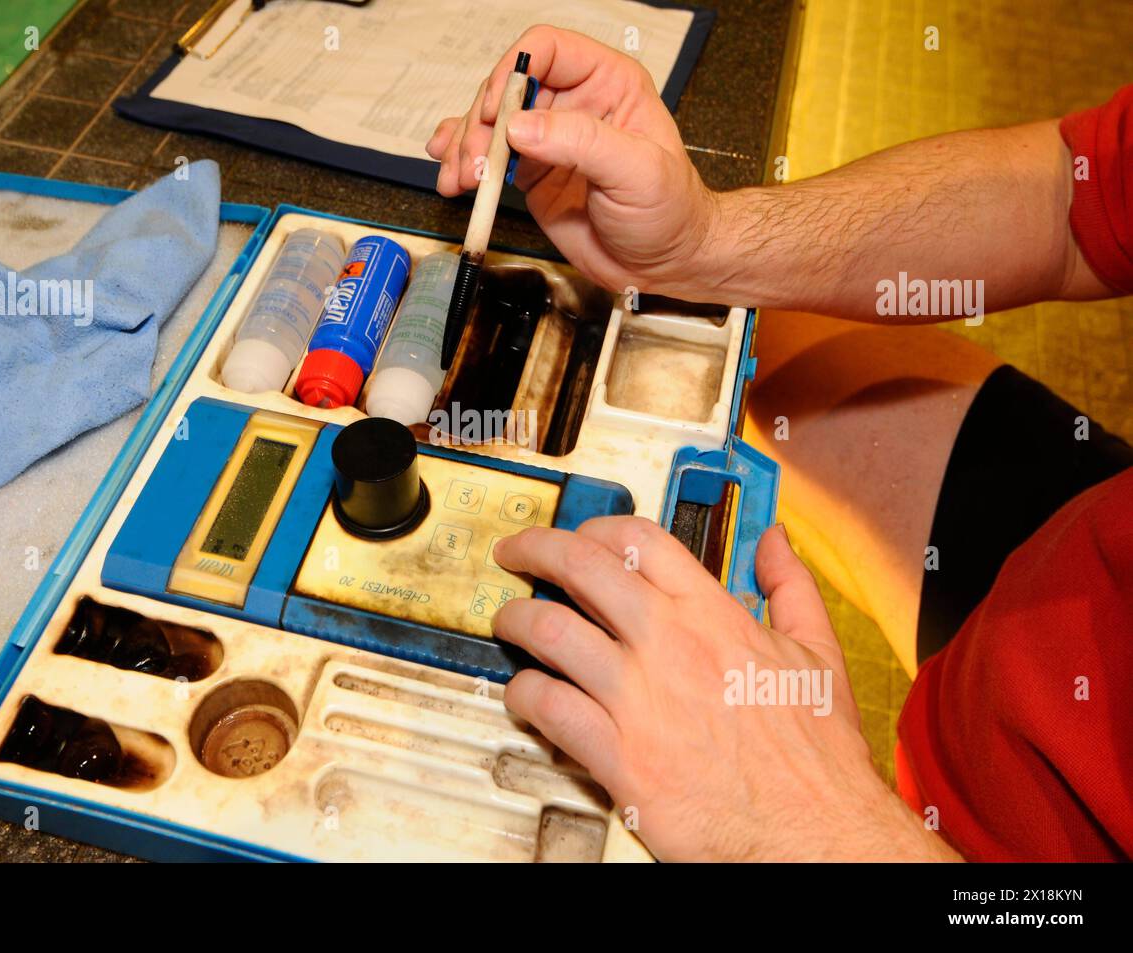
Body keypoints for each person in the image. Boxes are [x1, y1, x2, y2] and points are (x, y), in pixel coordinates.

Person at [426, 25, 1132, 862]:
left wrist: (818, 827)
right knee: (746, 342)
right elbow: (1069, 193)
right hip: (1080, 583)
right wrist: (707, 245)